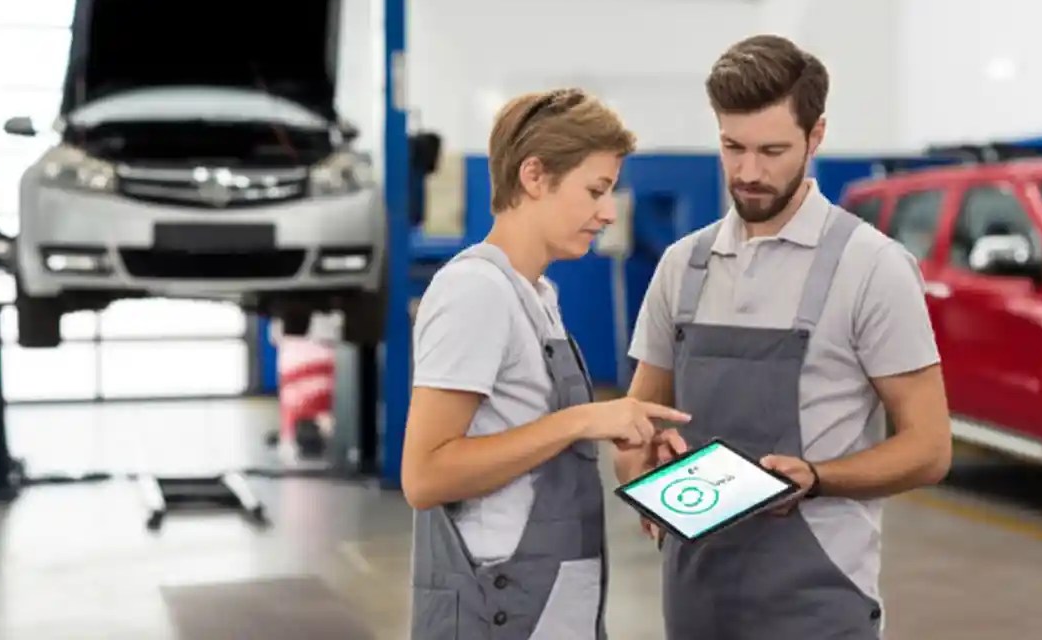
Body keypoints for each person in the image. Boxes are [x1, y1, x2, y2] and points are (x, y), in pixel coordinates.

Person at [616, 34, 953, 639]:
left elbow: (929, 447)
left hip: (817, 605)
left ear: (815, 136)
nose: (749, 173)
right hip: (696, 601)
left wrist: (818, 477)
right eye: (732, 147)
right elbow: (634, 436)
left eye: (772, 150)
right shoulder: (681, 267)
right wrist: (645, 466)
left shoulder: (871, 266)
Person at [402, 87, 692, 639]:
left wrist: (624, 437)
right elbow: (425, 475)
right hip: (503, 608)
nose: (608, 212)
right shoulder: (474, 291)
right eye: (595, 190)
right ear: (534, 176)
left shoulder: (537, 295)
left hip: (557, 601)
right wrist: (582, 421)